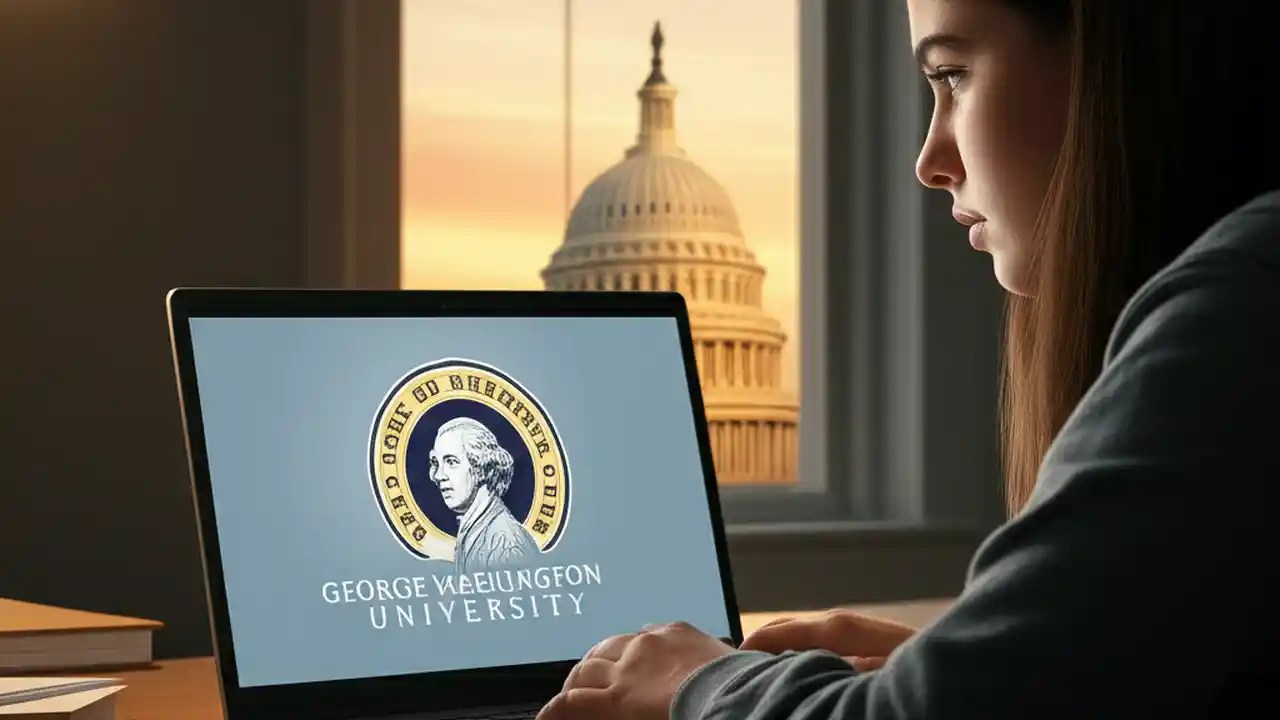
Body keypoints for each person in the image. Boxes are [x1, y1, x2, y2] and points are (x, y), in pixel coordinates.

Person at [536, 0, 1279, 717]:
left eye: (952, 74)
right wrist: (977, 663)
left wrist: (701, 685)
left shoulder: (1243, 308)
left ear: (1115, 59)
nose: (930, 160)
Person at [429, 417, 540, 572]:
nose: (438, 475)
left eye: (451, 462)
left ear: (481, 467)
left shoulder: (506, 545)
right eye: (435, 463)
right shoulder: (474, 530)